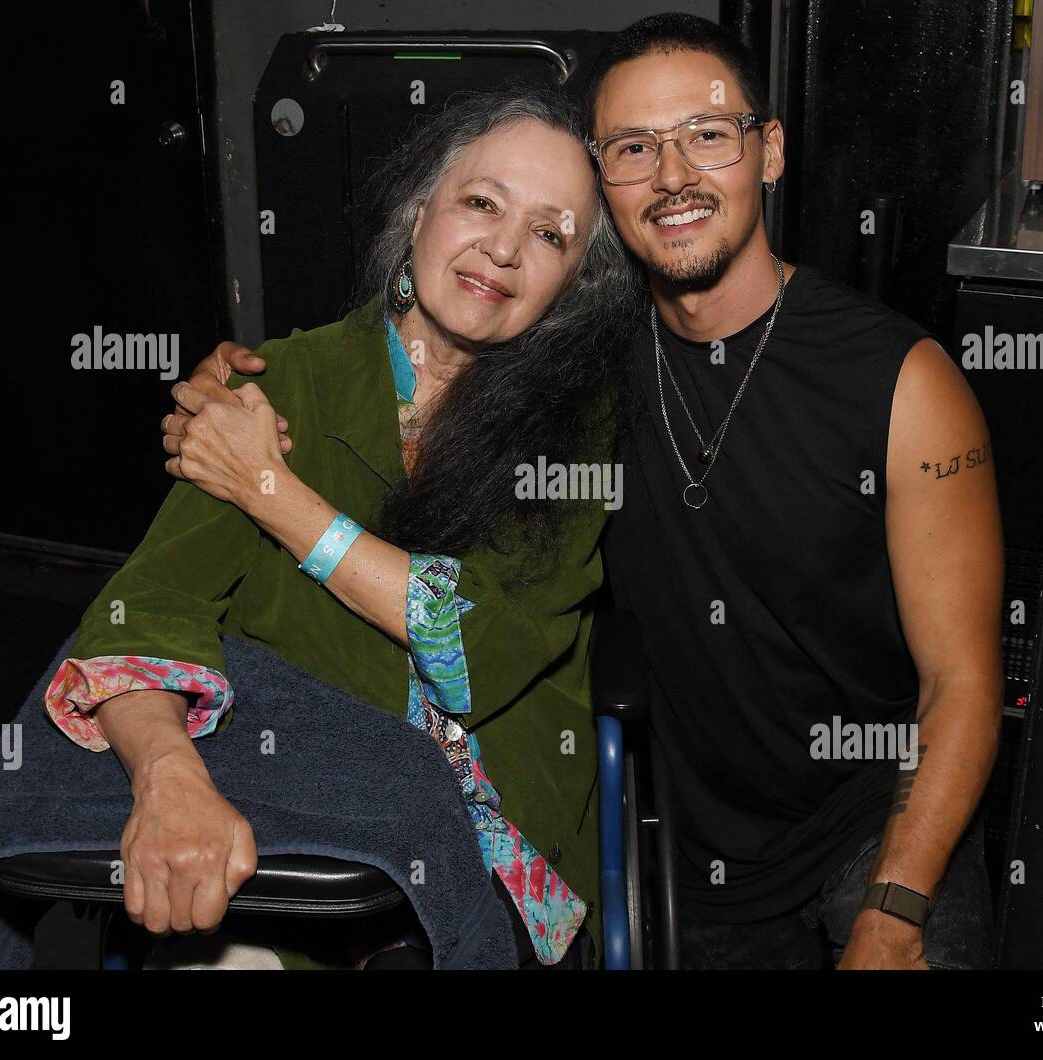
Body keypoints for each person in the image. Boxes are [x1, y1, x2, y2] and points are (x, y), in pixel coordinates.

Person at [203, 13, 1004, 971]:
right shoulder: (570, 359)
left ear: (770, 151)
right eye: (633, 148)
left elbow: (962, 683)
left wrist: (897, 904)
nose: (672, 177)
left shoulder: (905, 384)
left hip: (868, 823)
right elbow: (409, 350)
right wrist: (241, 388)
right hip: (676, 835)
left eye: (707, 135)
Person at [43, 84, 644, 970]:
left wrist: (268, 489)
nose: (505, 249)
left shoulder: (577, 431)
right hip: (291, 797)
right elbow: (145, 609)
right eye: (482, 202)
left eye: (551, 235)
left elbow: (474, 644)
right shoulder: (275, 383)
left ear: (569, 287)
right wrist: (169, 777)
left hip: (491, 812)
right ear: (418, 214)